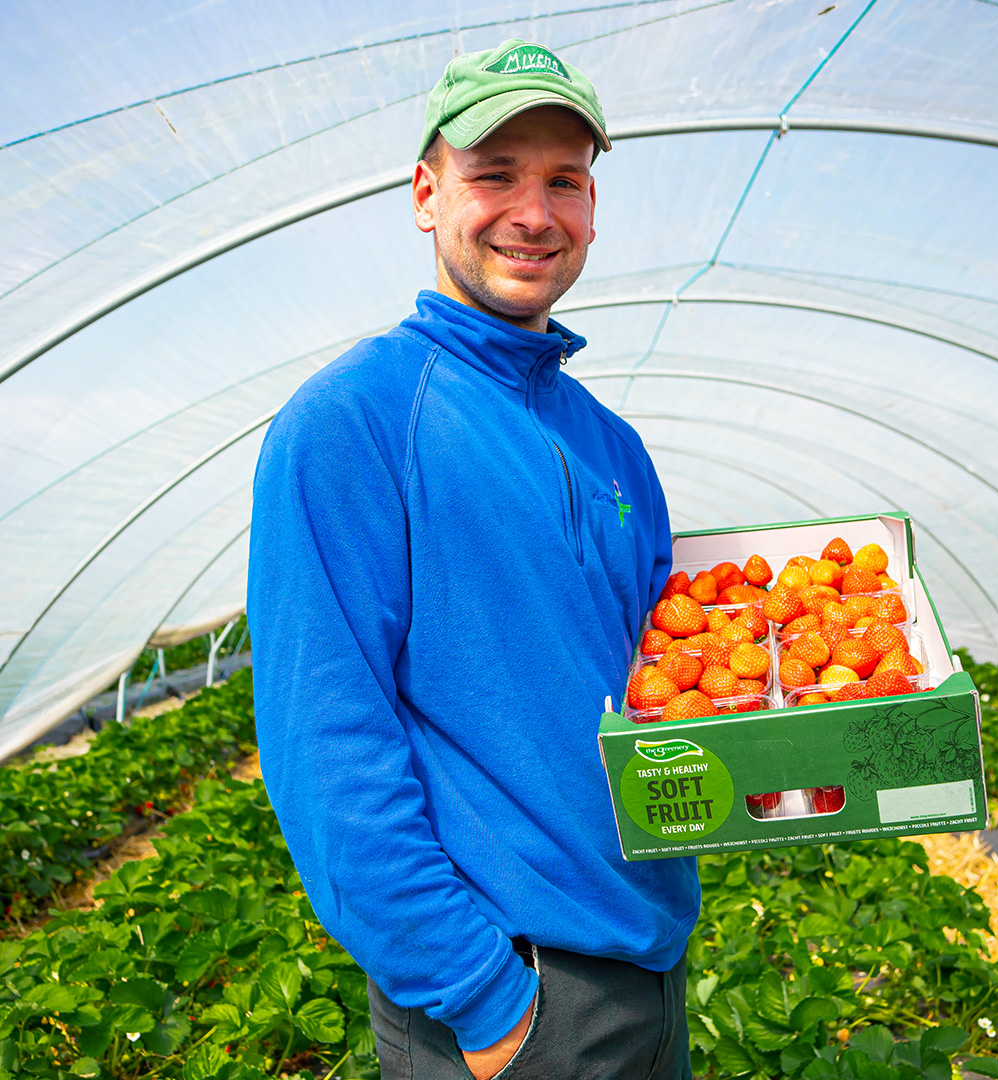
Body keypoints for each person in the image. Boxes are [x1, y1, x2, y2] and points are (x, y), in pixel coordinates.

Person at [247, 38, 700, 1080]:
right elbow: (327, 742)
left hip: (652, 965)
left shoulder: (612, 445)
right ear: (426, 194)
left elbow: (657, 690)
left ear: (592, 206)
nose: (533, 214)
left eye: (564, 181)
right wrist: (487, 1003)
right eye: (494, 175)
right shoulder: (354, 421)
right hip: (509, 998)